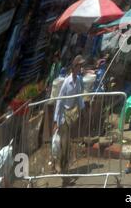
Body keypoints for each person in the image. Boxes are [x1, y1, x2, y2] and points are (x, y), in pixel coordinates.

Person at [53, 55, 86, 186]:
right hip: (64, 116)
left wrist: (83, 110)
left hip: (72, 115)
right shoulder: (66, 82)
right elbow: (60, 101)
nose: (81, 68)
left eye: (81, 66)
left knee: (65, 144)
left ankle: (60, 167)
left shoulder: (78, 80)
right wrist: (56, 120)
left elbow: (79, 97)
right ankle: (63, 173)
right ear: (74, 67)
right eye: (79, 66)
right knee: (65, 144)